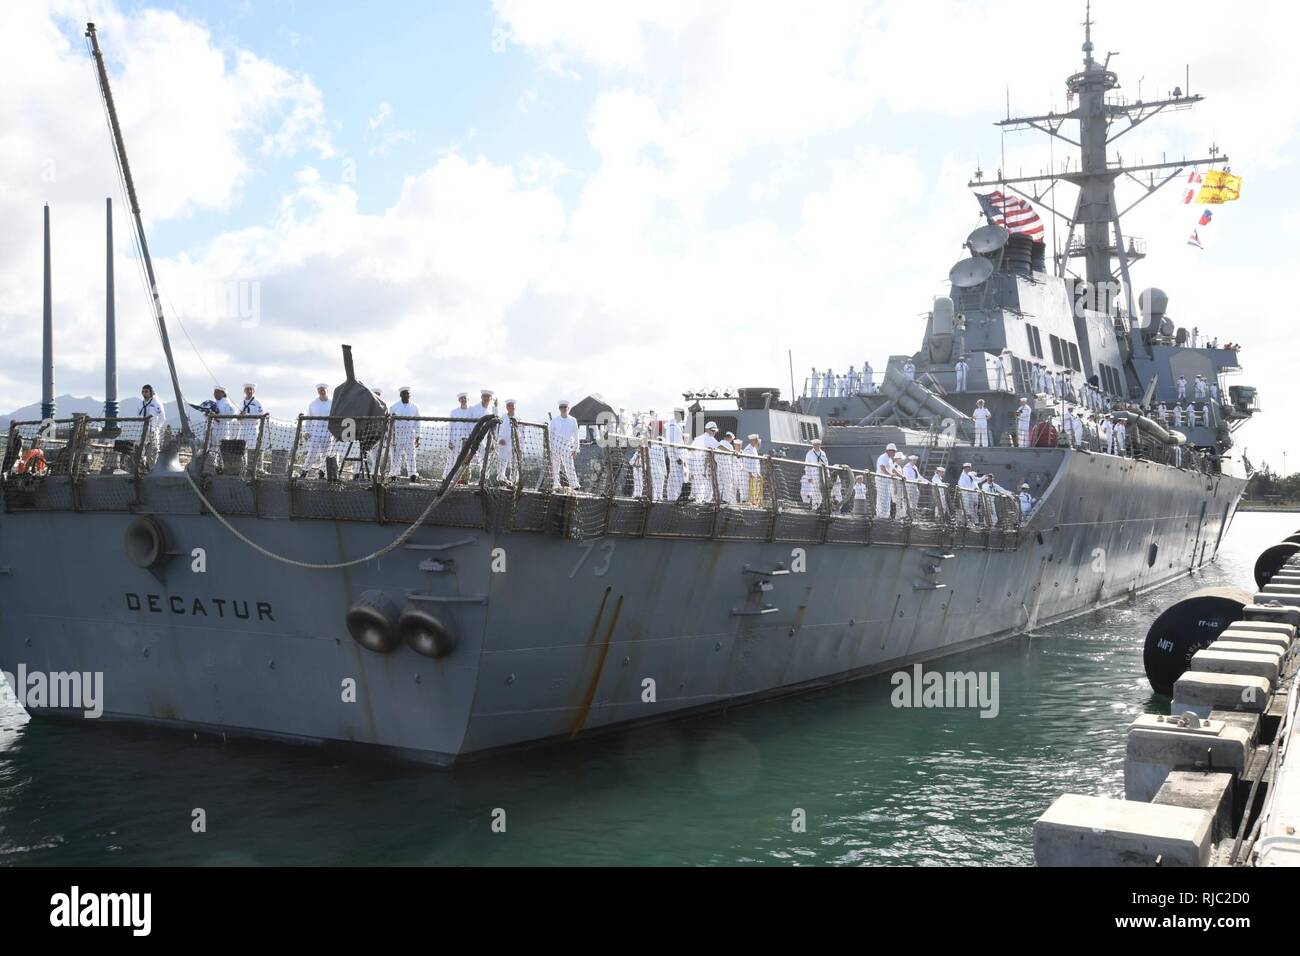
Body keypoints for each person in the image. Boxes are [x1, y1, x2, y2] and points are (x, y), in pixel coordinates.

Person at [389, 386, 421, 480]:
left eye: (408, 393)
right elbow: (389, 423)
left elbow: (418, 422)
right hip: (397, 435)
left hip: (410, 435)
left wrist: (418, 436)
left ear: (410, 395)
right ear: (401, 395)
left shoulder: (415, 407)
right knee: (395, 457)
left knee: (411, 456)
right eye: (404, 394)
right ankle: (393, 475)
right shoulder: (394, 407)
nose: (406, 395)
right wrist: (390, 437)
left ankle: (412, 475)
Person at [549, 400, 581, 491]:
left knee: (569, 465)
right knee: (555, 466)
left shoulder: (573, 420)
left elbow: (576, 435)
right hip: (555, 445)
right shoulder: (554, 420)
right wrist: (550, 447)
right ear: (559, 408)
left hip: (567, 445)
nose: (563, 409)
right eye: (561, 407)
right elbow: (550, 435)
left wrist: (575, 449)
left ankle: (574, 484)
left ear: (568, 408)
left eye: (565, 407)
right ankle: (556, 483)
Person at [303, 383, 331, 477]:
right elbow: (308, 419)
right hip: (315, 432)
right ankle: (305, 471)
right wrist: (306, 430)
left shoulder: (332, 403)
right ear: (317, 391)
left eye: (323, 390)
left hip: (328, 433)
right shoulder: (313, 404)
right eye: (320, 390)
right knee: (312, 453)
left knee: (326, 454)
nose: (322, 392)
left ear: (327, 391)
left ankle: (322, 473)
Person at [445, 392, 475, 479]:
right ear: (459, 400)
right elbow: (450, 427)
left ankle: (463, 479)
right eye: (461, 398)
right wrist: (449, 441)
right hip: (455, 438)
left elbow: (472, 426)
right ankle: (447, 477)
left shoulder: (471, 411)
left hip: (467, 439)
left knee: (466, 459)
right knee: (452, 459)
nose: (463, 400)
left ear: (467, 399)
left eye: (465, 398)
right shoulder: (454, 412)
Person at [137, 384, 165, 468]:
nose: (144, 394)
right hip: (143, 429)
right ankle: (142, 463)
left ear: (151, 392)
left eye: (146, 392)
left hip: (153, 429)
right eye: (143, 392)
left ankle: (154, 465)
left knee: (155, 447)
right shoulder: (140, 404)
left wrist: (157, 427)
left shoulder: (156, 403)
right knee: (141, 447)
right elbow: (138, 416)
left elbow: (162, 417)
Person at [664, 409, 687, 501]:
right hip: (676, 455)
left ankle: (672, 497)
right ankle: (675, 496)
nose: (683, 416)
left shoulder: (675, 424)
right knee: (677, 477)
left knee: (673, 476)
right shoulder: (673, 425)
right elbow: (672, 442)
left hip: (677, 454)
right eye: (682, 414)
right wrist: (678, 457)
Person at [802, 438, 828, 508]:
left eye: (817, 444)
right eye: (814, 445)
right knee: (815, 491)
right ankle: (815, 507)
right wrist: (809, 477)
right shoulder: (809, 454)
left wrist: (827, 475)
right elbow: (807, 466)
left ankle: (821, 506)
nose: (816, 446)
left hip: (822, 474)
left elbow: (826, 464)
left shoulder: (823, 453)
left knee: (822, 490)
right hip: (814, 474)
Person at [498, 398, 519, 483]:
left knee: (514, 462)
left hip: (514, 442)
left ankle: (514, 480)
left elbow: (522, 433)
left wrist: (520, 444)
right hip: (504, 442)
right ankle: (501, 478)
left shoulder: (518, 418)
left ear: (514, 407)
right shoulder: (503, 417)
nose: (510, 407)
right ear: (506, 407)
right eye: (508, 406)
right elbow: (498, 429)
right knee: (502, 460)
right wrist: (499, 439)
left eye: (512, 406)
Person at [875, 442, 897, 519]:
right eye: (894, 451)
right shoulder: (883, 457)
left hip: (887, 481)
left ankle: (886, 515)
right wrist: (890, 474)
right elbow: (882, 467)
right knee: (882, 499)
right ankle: (881, 516)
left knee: (887, 498)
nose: (895, 453)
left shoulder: (889, 459)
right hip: (882, 480)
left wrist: (901, 476)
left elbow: (893, 469)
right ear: (889, 451)